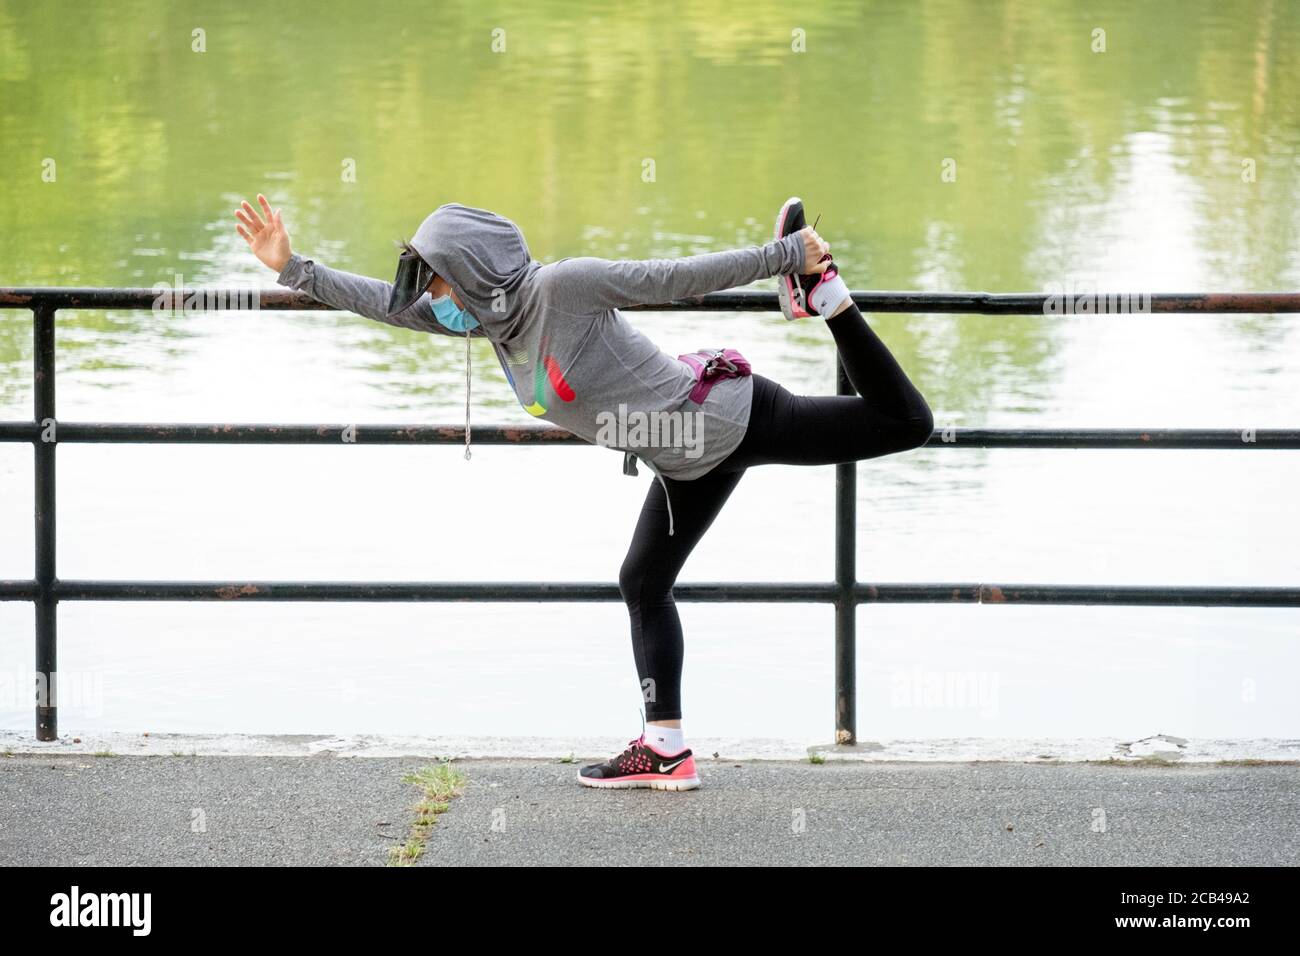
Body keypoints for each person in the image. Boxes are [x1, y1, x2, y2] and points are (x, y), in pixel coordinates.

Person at [235, 194, 933, 792]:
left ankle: (827, 294)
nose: (433, 298)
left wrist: (784, 256)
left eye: (438, 281)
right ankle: (665, 750)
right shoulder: (492, 324)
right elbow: (385, 308)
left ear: (474, 274)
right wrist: (295, 269)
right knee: (642, 578)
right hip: (681, 460)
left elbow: (674, 277)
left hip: (729, 417)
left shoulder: (564, 289)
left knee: (906, 423)